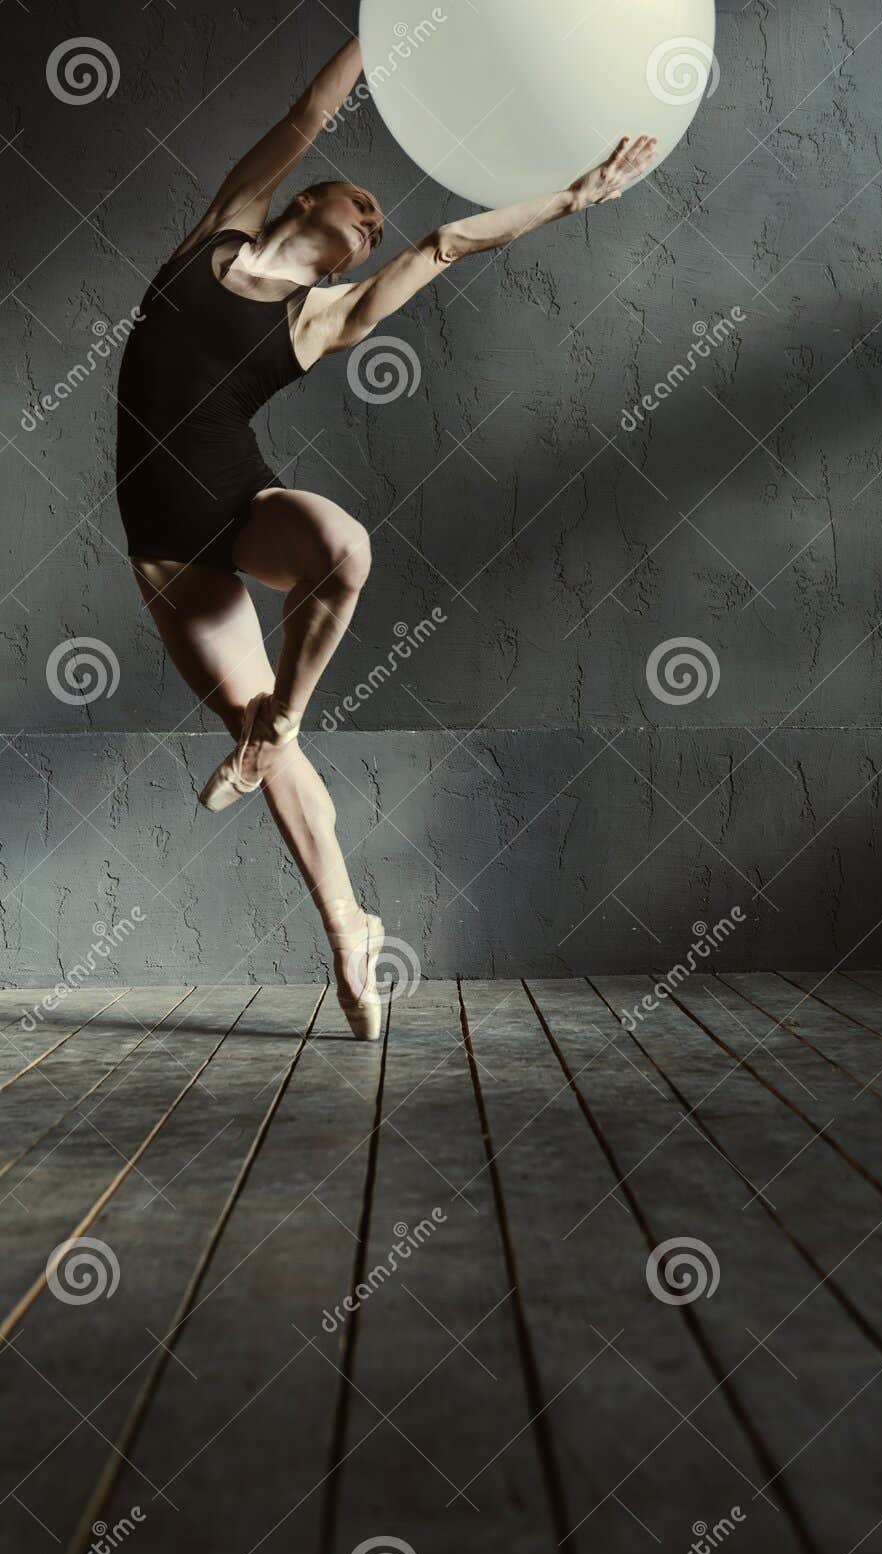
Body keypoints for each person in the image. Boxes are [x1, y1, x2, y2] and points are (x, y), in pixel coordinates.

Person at [117, 23, 658, 1039]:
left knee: (344, 550)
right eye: (361, 202)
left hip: (245, 507)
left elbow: (446, 244)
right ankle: (351, 926)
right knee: (271, 768)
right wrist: (380, 29)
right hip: (169, 552)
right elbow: (308, 114)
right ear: (304, 198)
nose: (374, 221)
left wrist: (573, 197)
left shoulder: (320, 320)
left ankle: (280, 717)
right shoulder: (218, 233)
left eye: (376, 225)